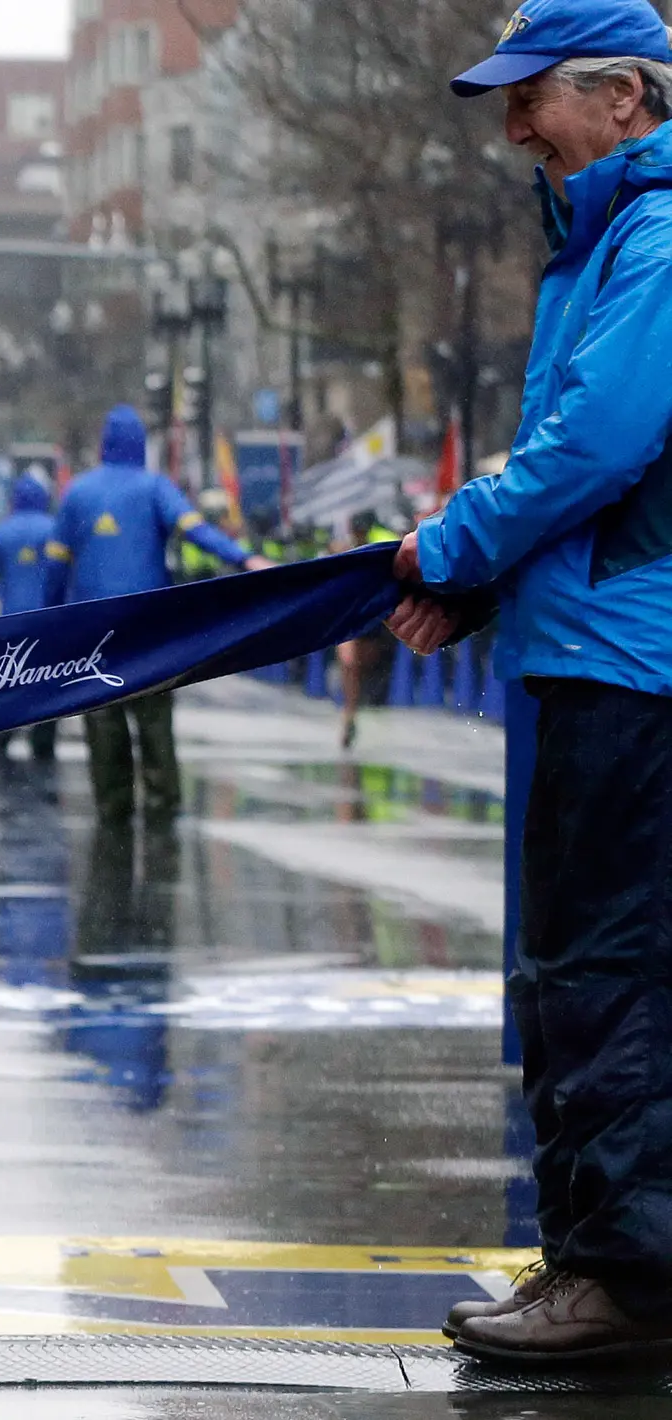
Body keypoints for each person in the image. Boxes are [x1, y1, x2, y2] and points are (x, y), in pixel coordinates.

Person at [394, 6, 672, 1363]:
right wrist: (482, 581)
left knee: (607, 972)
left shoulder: (657, 239)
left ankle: (619, 1281)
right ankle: (588, 1255)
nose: (509, 127)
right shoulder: (601, 238)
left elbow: (594, 447)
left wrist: (450, 546)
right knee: (576, 970)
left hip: (638, 672)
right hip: (593, 657)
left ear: (623, 96)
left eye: (531, 100)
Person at [49, 405, 268, 822]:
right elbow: (195, 530)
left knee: (104, 715)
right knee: (153, 716)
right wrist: (245, 559)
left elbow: (56, 567)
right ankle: (162, 802)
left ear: (103, 444)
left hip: (95, 632)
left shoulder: (77, 493)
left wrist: (50, 622)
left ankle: (113, 806)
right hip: (149, 627)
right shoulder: (154, 488)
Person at [0, 473, 63, 762]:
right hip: (48, 625)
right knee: (49, 685)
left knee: (7, 686)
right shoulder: (54, 529)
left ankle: (0, 740)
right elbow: (66, 576)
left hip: (10, 626)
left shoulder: (0, 533)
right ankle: (43, 741)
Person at [335, 509, 404, 751]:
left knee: (364, 667)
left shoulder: (385, 541)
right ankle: (349, 715)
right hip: (351, 616)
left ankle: (356, 707)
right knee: (349, 663)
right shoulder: (344, 547)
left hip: (379, 616)